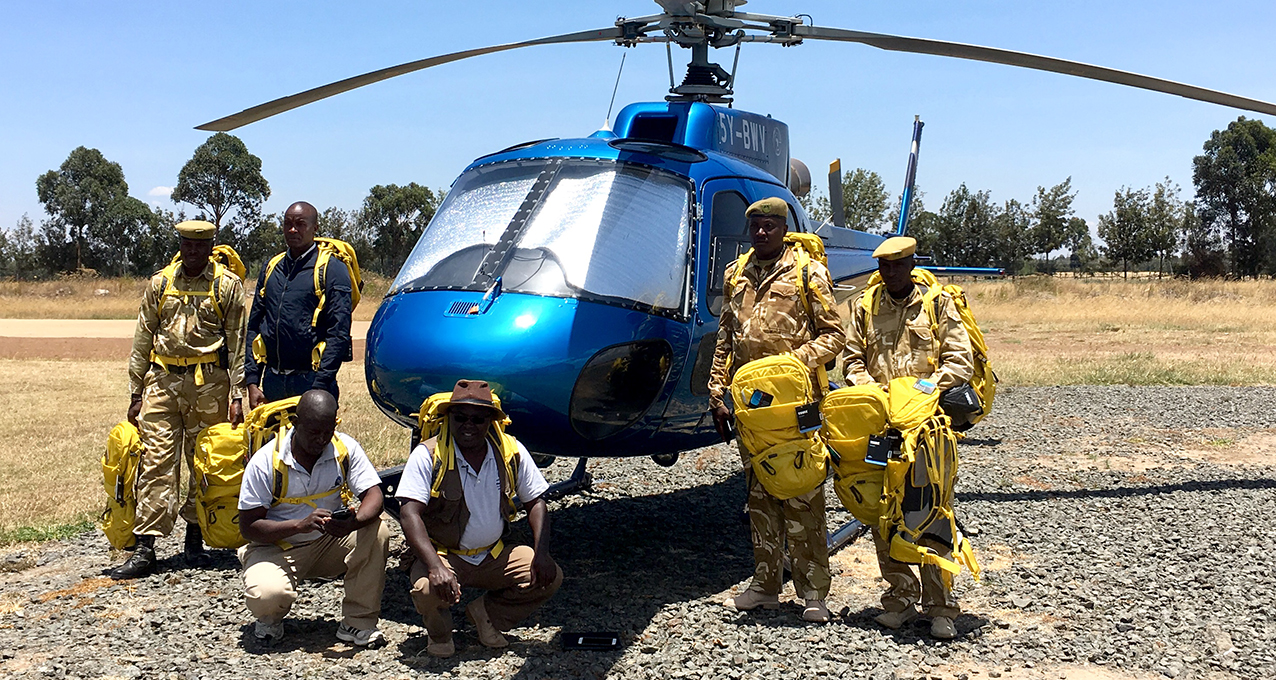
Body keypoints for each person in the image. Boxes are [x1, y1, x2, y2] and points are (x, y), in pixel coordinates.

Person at [706, 197, 847, 623]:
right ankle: (766, 585)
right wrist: (717, 392)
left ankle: (813, 593)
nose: (762, 232)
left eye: (770, 225)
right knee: (760, 495)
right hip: (753, 410)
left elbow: (834, 336)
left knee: (804, 493)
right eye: (756, 226)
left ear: (783, 228)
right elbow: (726, 336)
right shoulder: (736, 274)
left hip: (797, 405)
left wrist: (790, 367)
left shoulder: (808, 272)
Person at [842, 235, 975, 640]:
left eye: (898, 265)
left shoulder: (936, 304)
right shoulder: (865, 306)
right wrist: (875, 394)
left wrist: (925, 388)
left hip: (927, 428)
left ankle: (940, 607)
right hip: (883, 425)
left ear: (912, 263)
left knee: (930, 512)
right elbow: (851, 361)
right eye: (884, 266)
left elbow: (960, 360)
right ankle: (899, 597)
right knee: (884, 511)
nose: (891, 272)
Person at [112, 220, 247, 580]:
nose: (192, 252)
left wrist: (236, 394)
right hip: (163, 382)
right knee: (155, 460)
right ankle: (146, 547)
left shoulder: (226, 286)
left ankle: (195, 538)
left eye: (199, 246)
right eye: (187, 245)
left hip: (210, 385)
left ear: (210, 247)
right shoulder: (160, 284)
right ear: (180, 245)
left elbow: (237, 345)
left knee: (203, 462)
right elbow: (143, 338)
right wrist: (136, 391)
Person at [397, 379, 562, 658]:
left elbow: (536, 501)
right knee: (426, 589)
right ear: (448, 417)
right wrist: (436, 566)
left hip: (493, 555)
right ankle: (439, 635)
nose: (468, 425)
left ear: (490, 421)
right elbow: (408, 513)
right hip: (444, 555)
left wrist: (541, 552)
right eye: (460, 417)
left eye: (478, 418)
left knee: (550, 576)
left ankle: (487, 616)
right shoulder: (427, 455)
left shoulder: (511, 451)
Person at [237, 389, 391, 647]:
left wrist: (353, 522)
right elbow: (249, 527)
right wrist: (299, 525)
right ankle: (269, 615)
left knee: (377, 531)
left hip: (329, 543)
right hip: (278, 547)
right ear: (295, 424)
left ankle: (358, 622)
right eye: (313, 432)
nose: (321, 440)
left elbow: (374, 495)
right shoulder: (266, 462)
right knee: (267, 597)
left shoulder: (344, 449)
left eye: (326, 431)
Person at [245, 201, 353, 407]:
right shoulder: (271, 267)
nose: (293, 229)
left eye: (300, 224)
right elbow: (255, 326)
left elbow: (338, 332)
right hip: (273, 381)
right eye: (288, 224)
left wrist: (320, 385)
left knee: (311, 440)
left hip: (311, 381)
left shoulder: (332, 269)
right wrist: (252, 381)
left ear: (315, 228)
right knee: (272, 440)